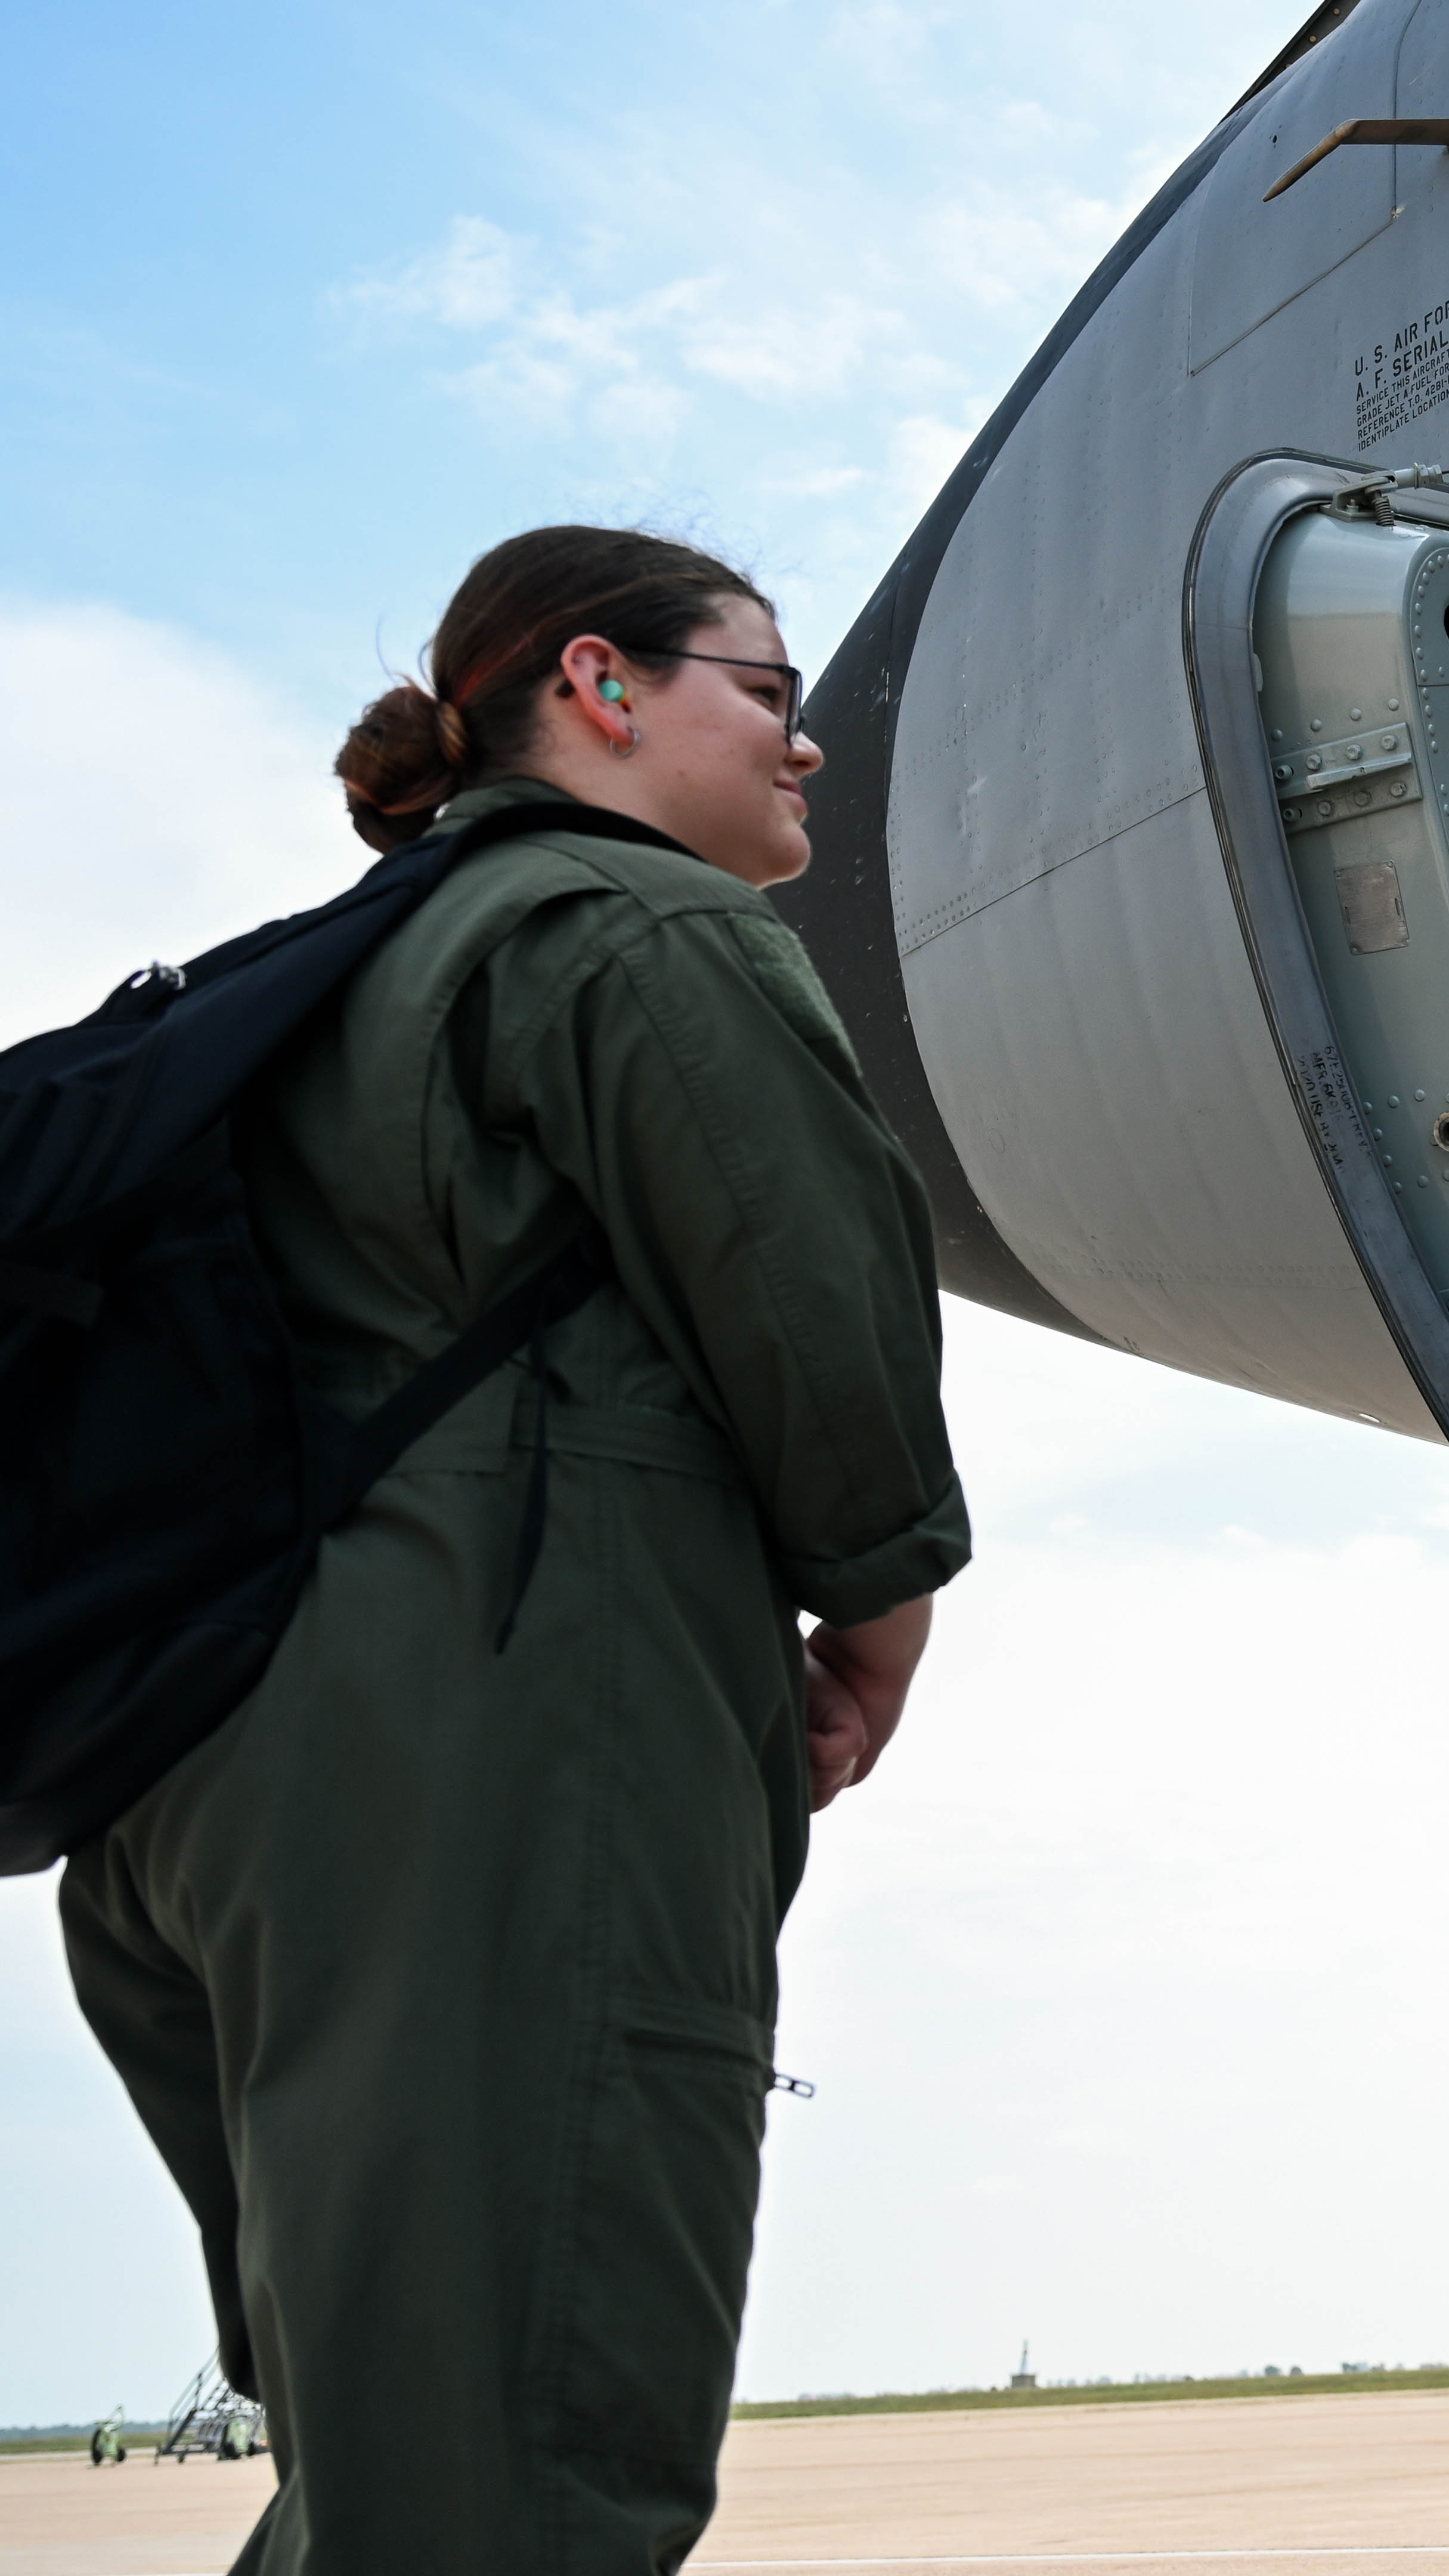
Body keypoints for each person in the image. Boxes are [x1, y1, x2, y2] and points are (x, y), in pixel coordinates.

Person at [58, 527, 973, 2571]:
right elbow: (814, 1313)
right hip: (489, 1757)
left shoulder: (335, 973)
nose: (808, 748)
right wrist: (880, 1612)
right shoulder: (632, 932)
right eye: (772, 689)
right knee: (515, 2487)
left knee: (397, 2460)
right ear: (602, 684)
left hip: (210, 1793)